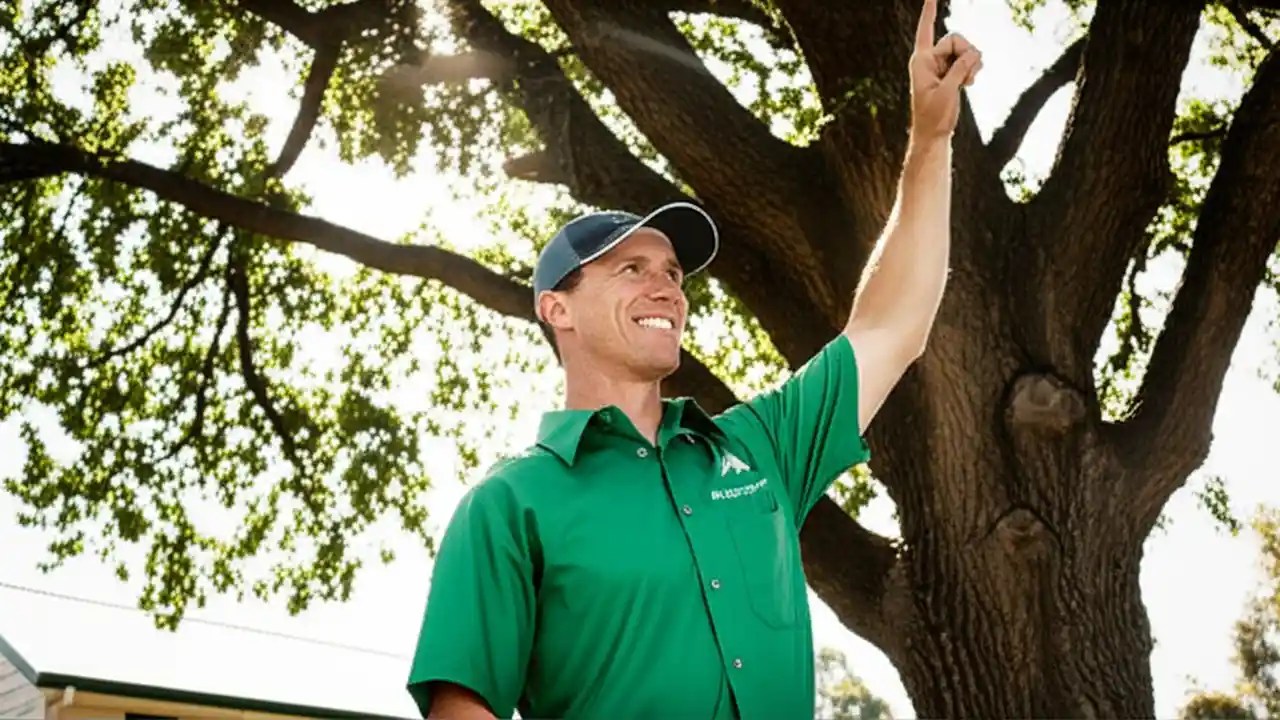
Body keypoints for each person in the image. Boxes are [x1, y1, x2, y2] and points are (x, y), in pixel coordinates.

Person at [405, 0, 981, 717]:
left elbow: (892, 325)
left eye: (674, 273)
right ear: (557, 309)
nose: (666, 288)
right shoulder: (509, 507)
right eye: (631, 270)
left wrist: (929, 141)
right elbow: (462, 707)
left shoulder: (758, 447)